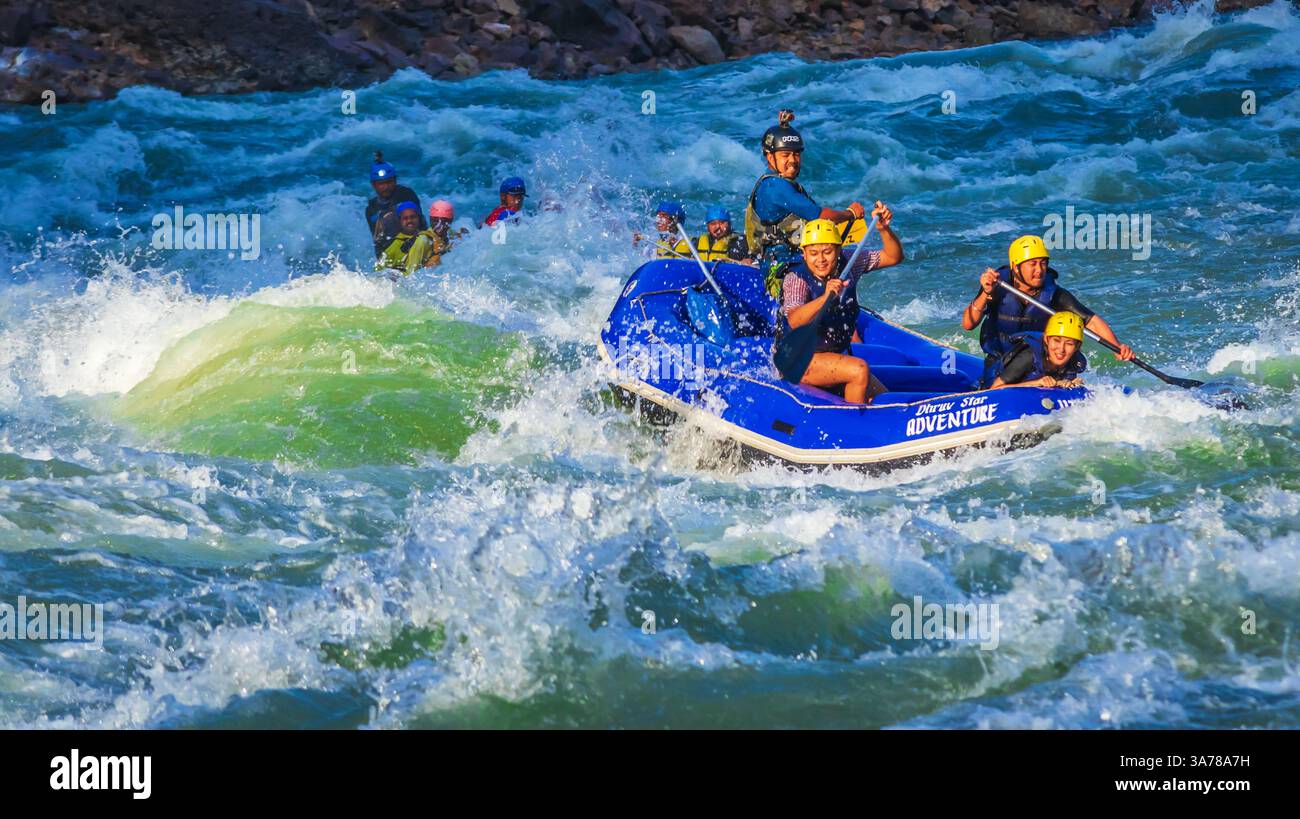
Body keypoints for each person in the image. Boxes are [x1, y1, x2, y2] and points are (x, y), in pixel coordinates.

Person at [962, 234, 1134, 385]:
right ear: (1015, 267)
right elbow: (968, 324)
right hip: (999, 364)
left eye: (1043, 263)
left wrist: (1117, 348)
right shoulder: (997, 287)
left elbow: (1091, 322)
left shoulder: (1055, 295)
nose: (1039, 270)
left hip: (1037, 366)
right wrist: (985, 292)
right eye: (1033, 264)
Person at [776, 208, 902, 405]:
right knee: (859, 370)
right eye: (813, 253)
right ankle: (855, 427)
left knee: (884, 399)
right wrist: (825, 297)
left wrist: (884, 230)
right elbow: (794, 320)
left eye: (827, 252)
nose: (821, 260)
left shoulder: (851, 262)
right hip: (800, 359)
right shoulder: (796, 279)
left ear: (839, 249)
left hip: (835, 355)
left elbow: (892, 257)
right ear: (804, 254)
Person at [743, 110, 868, 295]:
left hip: (792, 259)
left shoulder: (781, 183)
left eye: (796, 155)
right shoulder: (774, 187)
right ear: (770, 157)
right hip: (782, 267)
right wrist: (850, 214)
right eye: (785, 155)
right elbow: (819, 216)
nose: (793, 161)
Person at [990, 311, 1089, 389]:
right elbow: (994, 389)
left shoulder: (1075, 363)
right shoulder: (1028, 357)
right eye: (1056, 341)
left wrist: (1072, 384)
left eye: (1069, 343)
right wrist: (1037, 383)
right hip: (992, 381)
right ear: (1046, 339)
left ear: (1077, 346)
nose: (1061, 349)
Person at [365, 152, 425, 259]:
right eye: (381, 184)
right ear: (373, 185)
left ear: (395, 180)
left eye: (389, 182)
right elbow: (378, 241)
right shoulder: (371, 209)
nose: (386, 187)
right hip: (391, 253)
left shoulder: (406, 195)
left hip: (414, 244)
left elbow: (419, 225)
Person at [405, 199, 465, 270]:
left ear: (451, 221)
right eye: (436, 221)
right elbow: (409, 273)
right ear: (430, 220)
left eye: (444, 221)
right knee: (435, 259)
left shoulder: (453, 237)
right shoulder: (423, 241)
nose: (440, 226)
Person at [376, 201, 427, 276]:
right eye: (405, 218)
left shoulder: (427, 236)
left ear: (419, 218)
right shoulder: (394, 244)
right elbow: (378, 271)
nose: (409, 221)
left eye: (413, 217)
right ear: (399, 221)